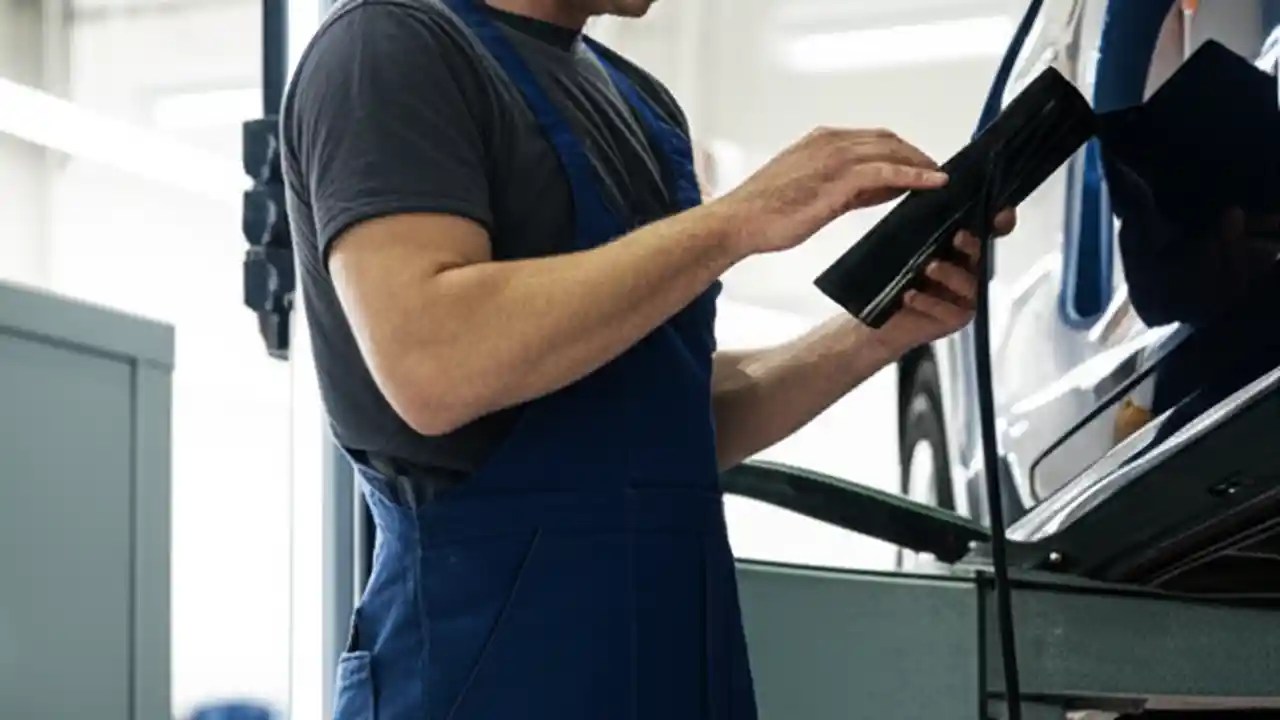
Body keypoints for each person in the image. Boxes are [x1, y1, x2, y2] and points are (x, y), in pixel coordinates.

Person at [281, 0, 1015, 717]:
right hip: (486, 671)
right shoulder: (384, 49)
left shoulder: (640, 103)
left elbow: (663, 416)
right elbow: (433, 364)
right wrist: (734, 222)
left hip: (676, 658)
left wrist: (877, 333)